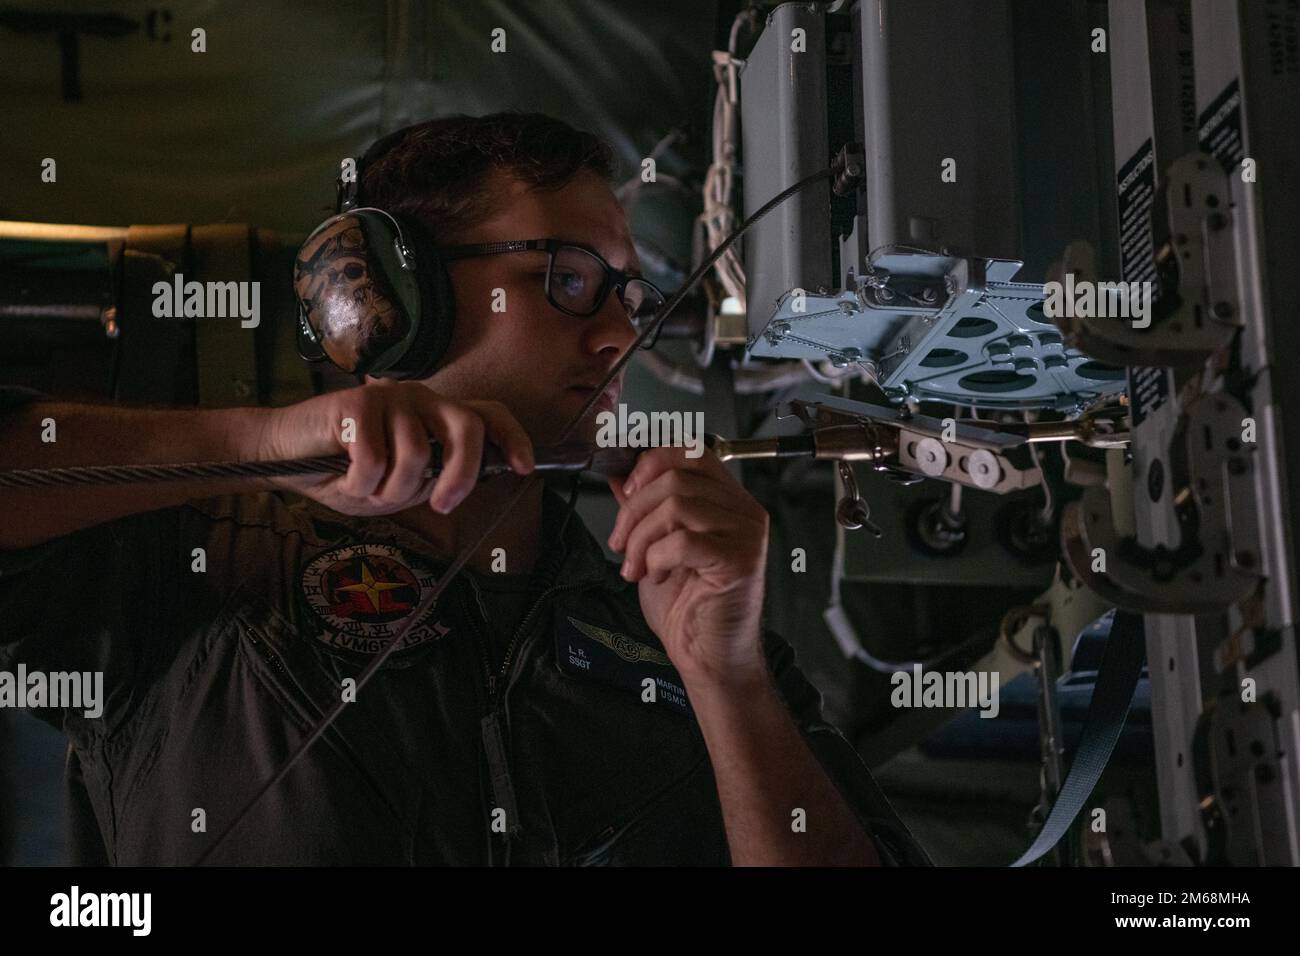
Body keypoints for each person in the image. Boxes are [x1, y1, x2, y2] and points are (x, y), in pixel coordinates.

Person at [0, 112, 929, 866]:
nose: (621, 337)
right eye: (568, 280)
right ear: (384, 300)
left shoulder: (691, 621)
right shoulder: (199, 560)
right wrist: (264, 444)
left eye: (632, 299)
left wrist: (729, 687)